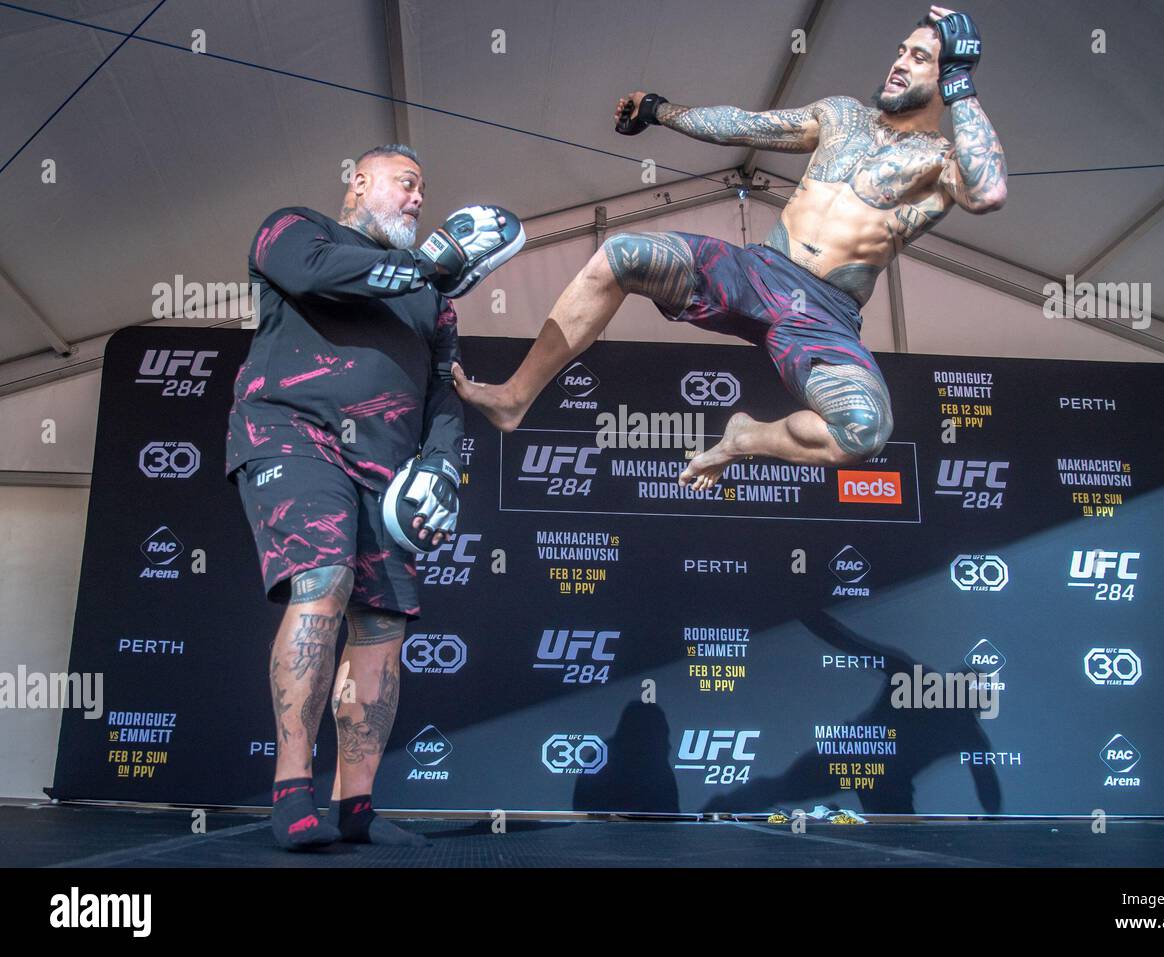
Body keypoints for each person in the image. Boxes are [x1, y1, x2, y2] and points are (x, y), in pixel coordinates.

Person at [453, 6, 1006, 490]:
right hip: (757, 269)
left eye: (921, 58)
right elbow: (743, 126)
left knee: (863, 433)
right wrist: (659, 111)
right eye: (901, 51)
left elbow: (988, 193)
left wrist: (962, 80)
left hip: (824, 316)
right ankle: (515, 397)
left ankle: (744, 439)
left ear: (949, 75)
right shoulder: (841, 116)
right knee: (621, 254)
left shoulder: (943, 161)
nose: (900, 63)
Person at [225, 144, 519, 849]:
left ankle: (356, 807)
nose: (420, 199)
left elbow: (442, 390)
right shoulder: (296, 228)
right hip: (292, 430)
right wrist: (432, 261)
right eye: (407, 184)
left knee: (384, 627)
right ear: (358, 181)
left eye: (425, 189)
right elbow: (312, 273)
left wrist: (444, 468)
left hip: (389, 472)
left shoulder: (435, 299)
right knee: (322, 577)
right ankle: (292, 794)